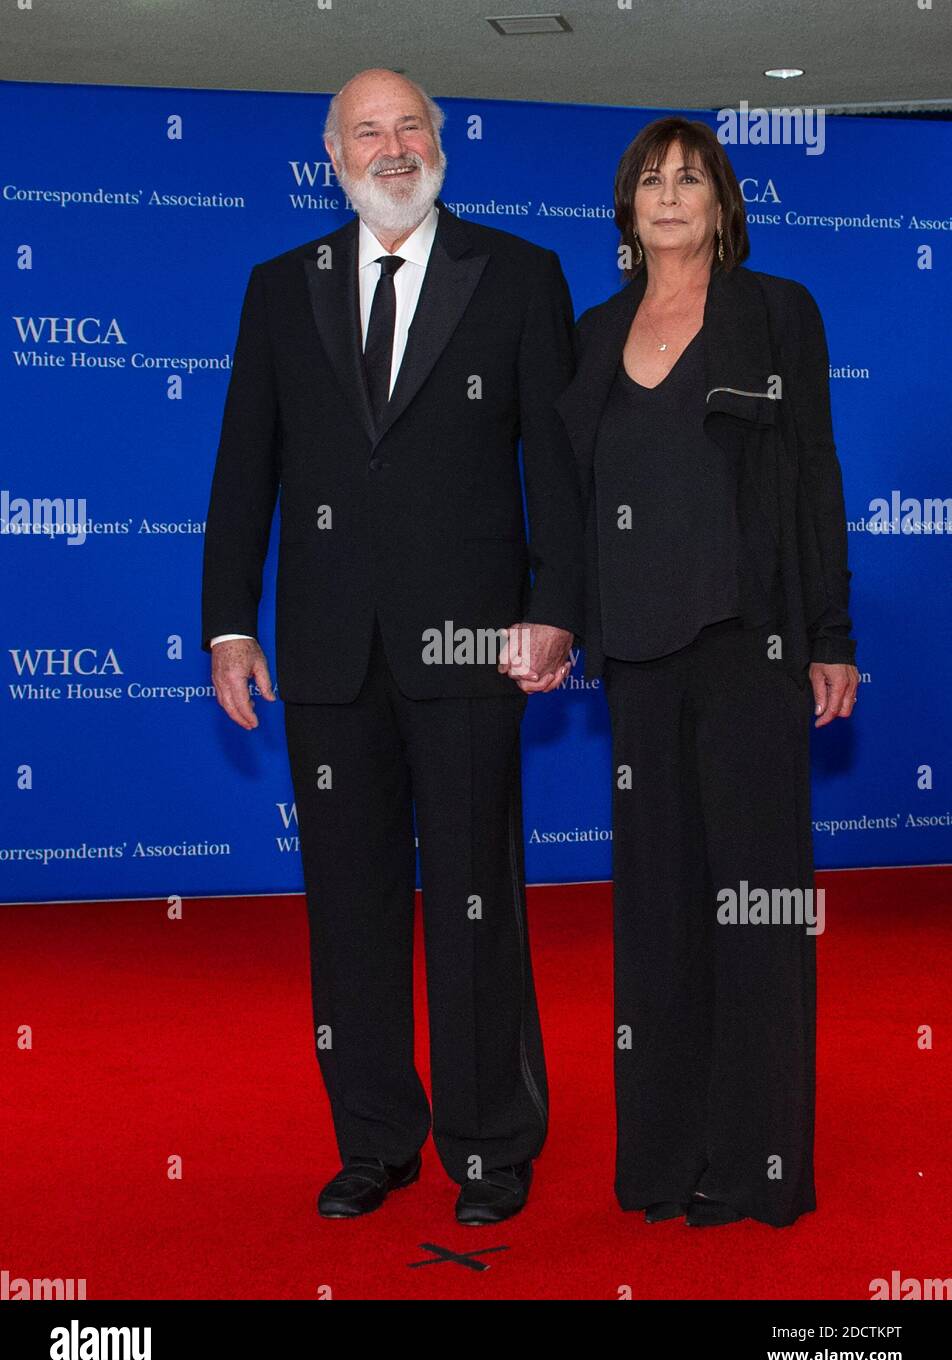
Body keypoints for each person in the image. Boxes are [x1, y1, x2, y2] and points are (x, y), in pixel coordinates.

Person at [201, 69, 583, 1224]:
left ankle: (489, 1143)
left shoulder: (520, 276)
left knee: (478, 900)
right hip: (325, 656)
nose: (391, 145)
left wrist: (557, 604)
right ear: (332, 156)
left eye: (409, 124)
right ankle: (373, 1137)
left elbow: (557, 472)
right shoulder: (280, 289)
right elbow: (242, 469)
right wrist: (228, 621)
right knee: (347, 908)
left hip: (474, 648)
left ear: (441, 142)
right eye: (366, 130)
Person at [553, 116, 859, 1228]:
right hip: (636, 660)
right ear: (626, 209)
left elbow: (814, 475)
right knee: (660, 913)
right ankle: (663, 1160)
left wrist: (829, 631)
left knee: (757, 911)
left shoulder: (778, 314)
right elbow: (566, 504)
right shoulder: (589, 339)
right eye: (650, 179)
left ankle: (757, 1164)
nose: (669, 194)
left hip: (753, 649)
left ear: (723, 206)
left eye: (690, 179)